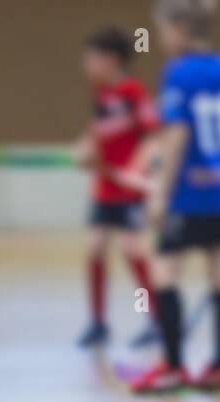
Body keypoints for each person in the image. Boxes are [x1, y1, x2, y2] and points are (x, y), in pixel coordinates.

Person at [131, 0, 220, 395]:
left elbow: (177, 136)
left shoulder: (178, 74)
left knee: (165, 273)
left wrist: (160, 193)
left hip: (189, 193)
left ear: (179, 30)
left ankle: (173, 365)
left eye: (160, 31)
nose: (159, 41)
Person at [73, 26, 160, 348]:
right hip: (104, 188)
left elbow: (151, 136)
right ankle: (97, 322)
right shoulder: (100, 96)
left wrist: (135, 170)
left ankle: (156, 319)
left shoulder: (133, 92)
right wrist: (84, 148)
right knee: (94, 249)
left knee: (131, 250)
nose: (85, 65)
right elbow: (97, 132)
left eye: (91, 58)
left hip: (130, 191)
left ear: (110, 60)